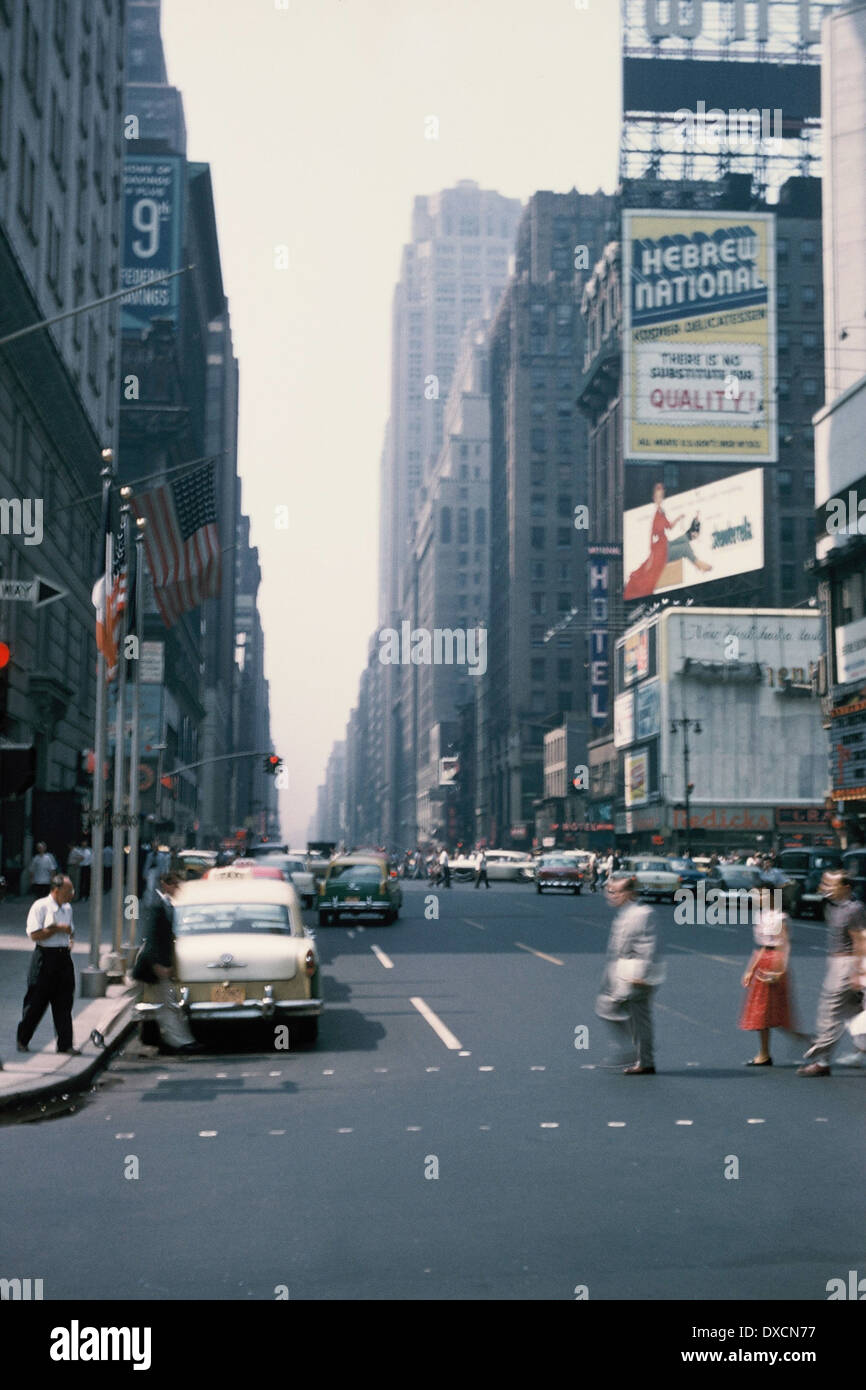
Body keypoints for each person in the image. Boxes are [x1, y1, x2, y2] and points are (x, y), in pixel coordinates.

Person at [798, 871, 866, 1076]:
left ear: (846, 888)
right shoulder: (831, 904)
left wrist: (856, 971)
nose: (826, 887)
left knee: (830, 1011)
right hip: (837, 962)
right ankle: (859, 1050)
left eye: (832, 884)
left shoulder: (854, 909)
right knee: (854, 1013)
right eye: (825, 883)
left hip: (847, 964)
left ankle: (821, 1060)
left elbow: (860, 940)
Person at [595, 874, 663, 1074]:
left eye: (615, 891)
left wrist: (642, 975)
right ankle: (643, 1055)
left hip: (636, 972)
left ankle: (641, 1056)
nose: (611, 895)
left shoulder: (643, 913)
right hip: (622, 971)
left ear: (630, 893)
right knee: (617, 1011)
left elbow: (648, 945)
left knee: (632, 1015)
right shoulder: (625, 913)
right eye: (609, 891)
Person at [133, 870, 201, 1055]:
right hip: (150, 966)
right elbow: (153, 938)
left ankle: (182, 1041)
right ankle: (182, 1042)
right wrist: (158, 965)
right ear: (166, 885)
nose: (179, 889)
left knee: (166, 1005)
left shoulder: (167, 905)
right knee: (133, 1003)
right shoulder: (157, 905)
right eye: (176, 885)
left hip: (156, 964)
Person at [16, 874, 79, 1055]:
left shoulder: (68, 908)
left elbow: (71, 931)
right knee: (36, 1001)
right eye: (68, 891)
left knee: (64, 1002)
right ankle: (23, 1039)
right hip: (45, 957)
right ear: (56, 890)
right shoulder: (41, 906)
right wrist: (56, 929)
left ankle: (65, 1044)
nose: (71, 894)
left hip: (63, 957)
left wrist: (69, 939)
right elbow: (34, 934)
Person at [740, 889, 795, 1065]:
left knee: (776, 1011)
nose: (759, 898)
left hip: (775, 962)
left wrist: (779, 971)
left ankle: (808, 1042)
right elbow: (763, 946)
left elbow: (784, 945)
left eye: (762, 895)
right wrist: (751, 969)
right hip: (763, 961)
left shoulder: (780, 918)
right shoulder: (761, 916)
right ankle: (764, 1053)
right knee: (762, 1011)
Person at [623, 482, 685, 601]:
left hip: (662, 545)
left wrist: (679, 518)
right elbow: (653, 534)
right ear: (654, 498)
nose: (659, 499)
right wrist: (652, 552)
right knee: (650, 572)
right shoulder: (656, 514)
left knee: (653, 572)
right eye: (657, 497)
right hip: (658, 548)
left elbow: (669, 526)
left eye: (661, 496)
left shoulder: (662, 512)